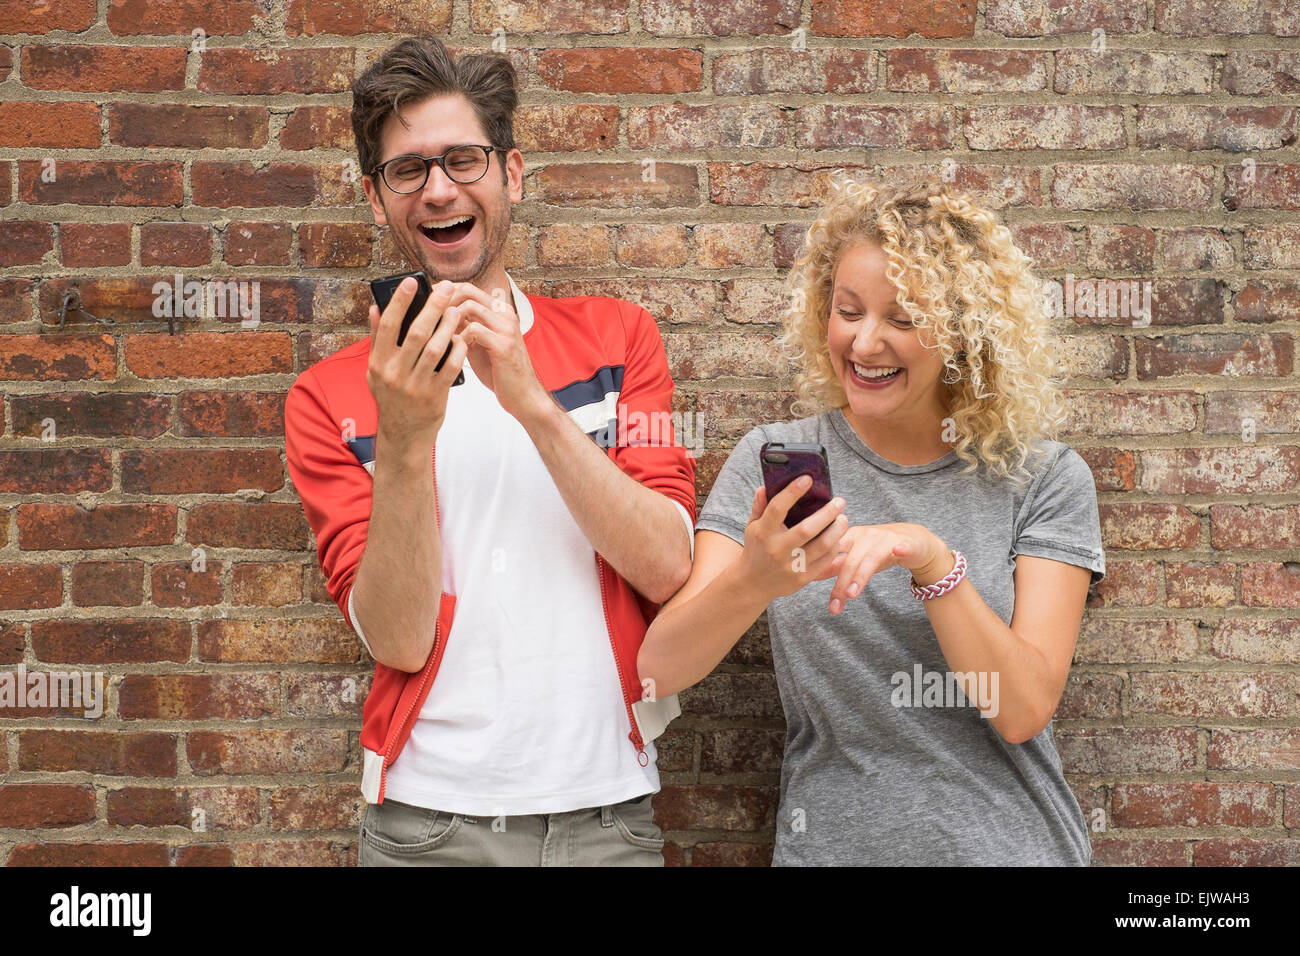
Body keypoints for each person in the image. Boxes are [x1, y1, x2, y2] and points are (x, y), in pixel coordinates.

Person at [283, 35, 695, 866]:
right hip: (426, 826)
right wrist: (402, 441)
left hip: (606, 818)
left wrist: (533, 403)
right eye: (408, 170)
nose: (438, 189)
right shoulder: (328, 396)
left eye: (462, 160)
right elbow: (396, 641)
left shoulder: (622, 339)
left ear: (509, 174)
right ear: (377, 198)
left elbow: (668, 567)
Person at [638, 176, 1106, 866]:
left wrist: (933, 563)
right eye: (848, 311)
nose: (865, 342)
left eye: (904, 319)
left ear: (965, 333)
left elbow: (1022, 708)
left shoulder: (1043, 478)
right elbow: (659, 669)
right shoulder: (775, 465)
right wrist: (755, 578)